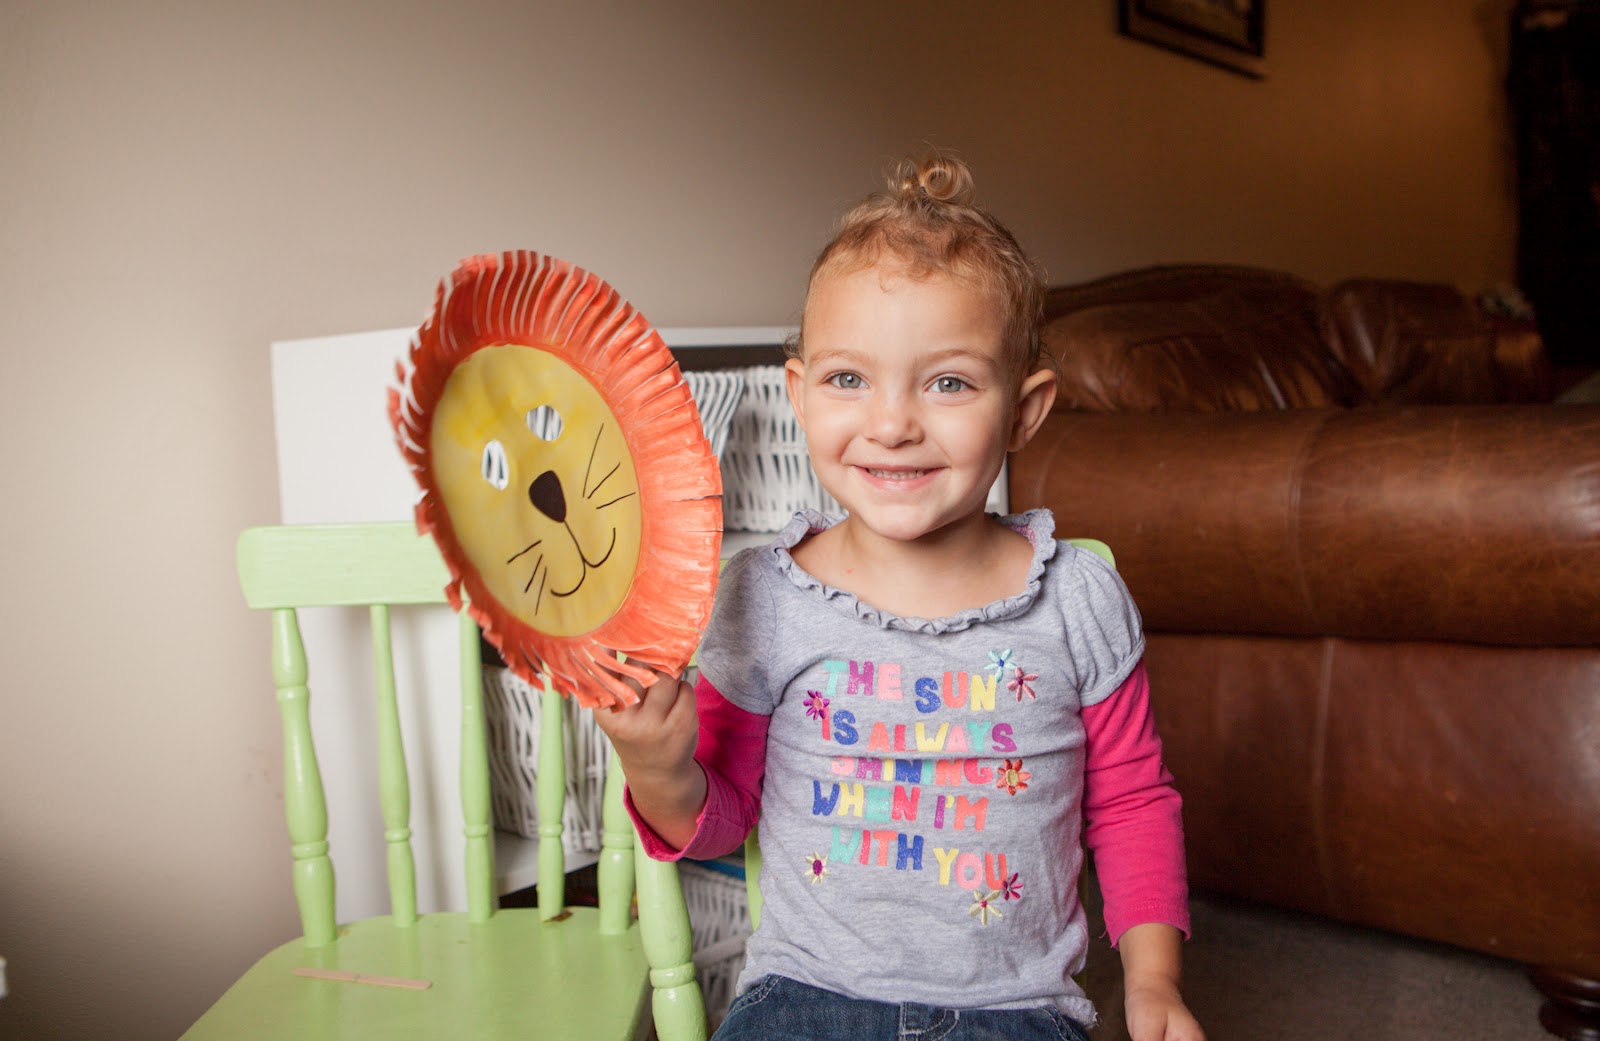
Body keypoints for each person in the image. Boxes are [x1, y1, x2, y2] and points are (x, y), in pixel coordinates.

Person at [595, 153, 1205, 1041]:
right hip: (806, 996)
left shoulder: (1076, 599)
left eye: (949, 382)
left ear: (1025, 411)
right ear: (800, 396)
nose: (892, 423)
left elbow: (1133, 801)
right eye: (849, 379)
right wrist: (657, 767)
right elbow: (721, 824)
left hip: (1015, 1008)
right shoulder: (764, 597)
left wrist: (1153, 979)